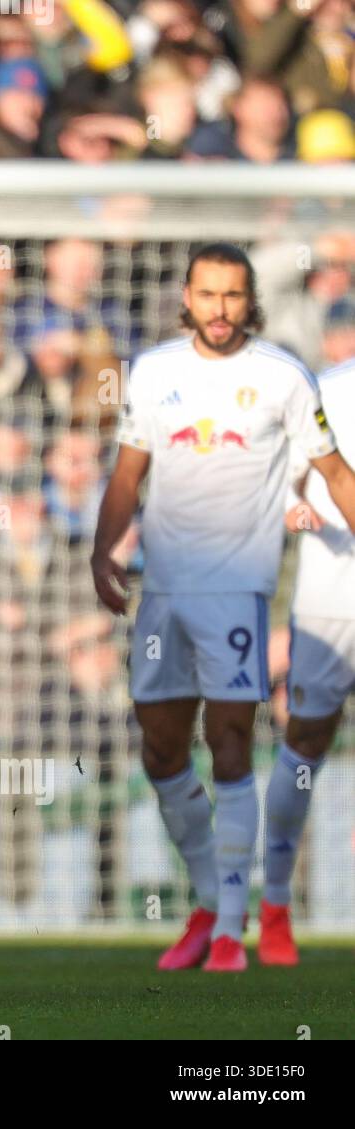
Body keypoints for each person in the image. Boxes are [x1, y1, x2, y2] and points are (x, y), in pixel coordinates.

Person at [91, 243, 355, 972]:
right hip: (164, 591)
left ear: (248, 300)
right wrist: (102, 550)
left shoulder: (283, 378)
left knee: (232, 741)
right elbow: (128, 473)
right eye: (207, 294)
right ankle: (211, 898)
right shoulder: (153, 373)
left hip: (238, 588)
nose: (219, 308)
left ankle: (233, 927)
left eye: (233, 295)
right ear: (187, 296)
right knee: (161, 748)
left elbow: (333, 471)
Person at [268, 352, 355, 964]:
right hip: (332, 602)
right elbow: (279, 480)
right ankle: (274, 903)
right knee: (305, 745)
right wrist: (291, 508)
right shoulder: (328, 390)